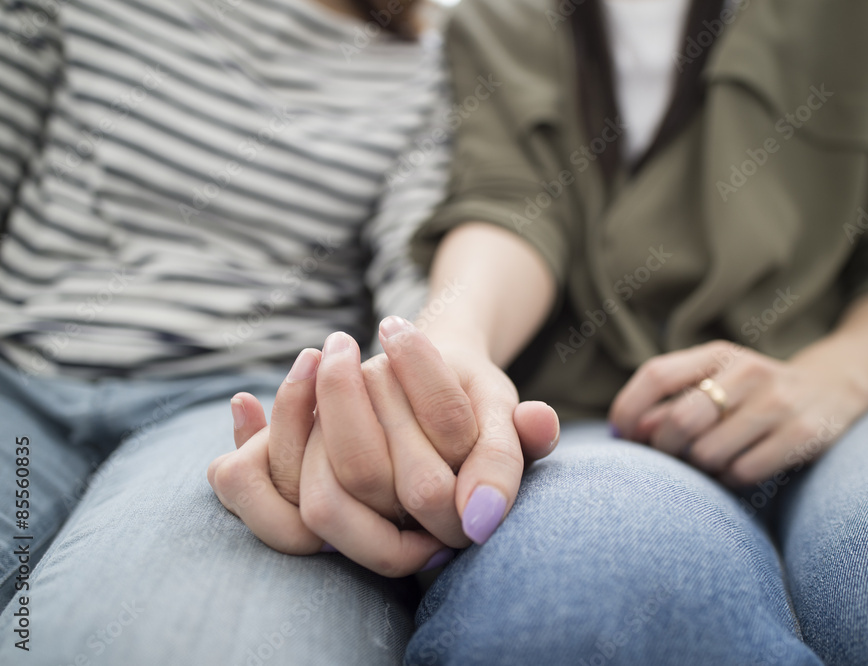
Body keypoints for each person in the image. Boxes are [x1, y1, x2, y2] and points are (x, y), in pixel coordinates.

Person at [216, 0, 868, 664]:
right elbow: (509, 205)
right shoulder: (493, 17)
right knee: (585, 602)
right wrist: (450, 343)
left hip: (859, 388)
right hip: (593, 417)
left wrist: (829, 384)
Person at [0, 0, 557, 663]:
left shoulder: (427, 74)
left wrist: (417, 395)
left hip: (241, 416)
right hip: (20, 378)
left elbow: (411, 283)